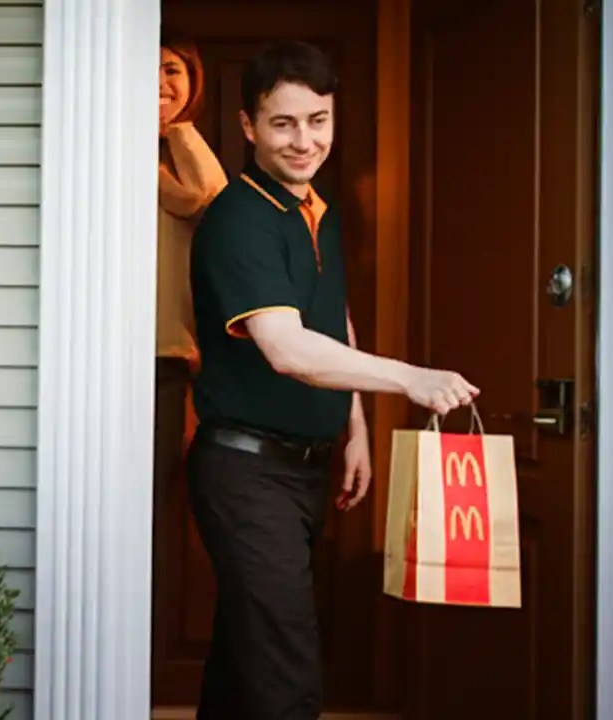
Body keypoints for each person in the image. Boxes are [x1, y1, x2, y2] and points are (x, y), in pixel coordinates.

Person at [186, 41, 479, 719]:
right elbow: (286, 348)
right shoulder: (239, 218)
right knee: (286, 674)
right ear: (249, 125)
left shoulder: (319, 209)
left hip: (306, 470)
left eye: (317, 120)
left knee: (246, 663)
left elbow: (329, 318)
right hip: (246, 473)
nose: (303, 140)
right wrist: (409, 378)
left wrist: (355, 427)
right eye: (284, 123)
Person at [154, 38, 227, 516]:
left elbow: (208, 198)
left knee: (161, 498)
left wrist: (177, 129)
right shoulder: (110, 156)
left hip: (171, 356)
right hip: (108, 353)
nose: (159, 83)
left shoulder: (178, 157)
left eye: (171, 70)